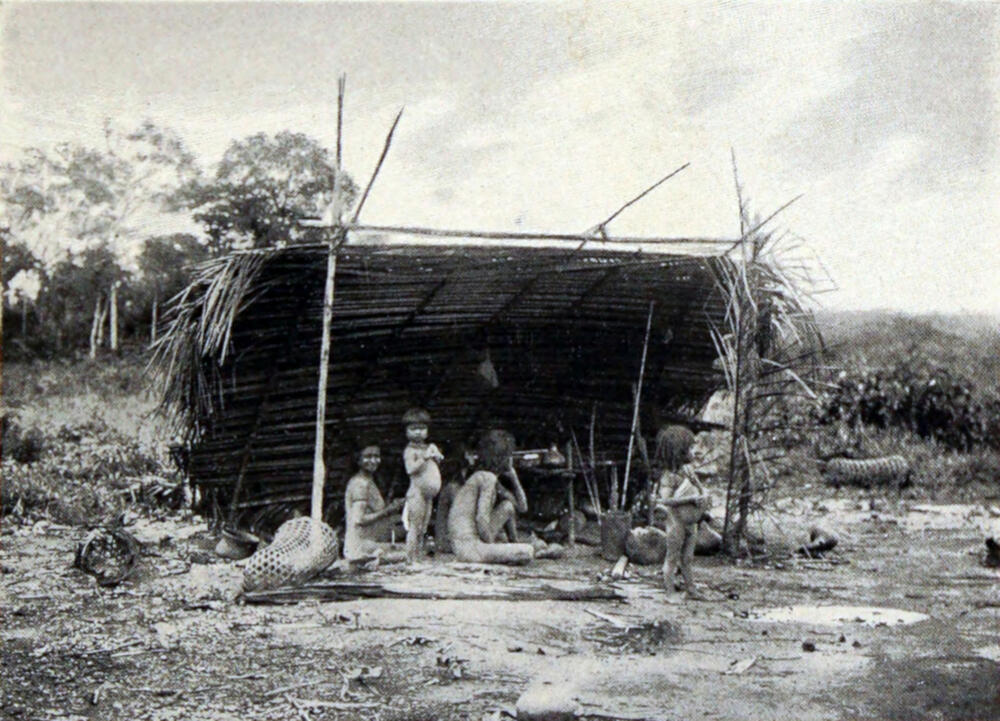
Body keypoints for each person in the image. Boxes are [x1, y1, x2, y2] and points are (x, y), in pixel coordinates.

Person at [446, 429, 535, 564]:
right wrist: (491, 546)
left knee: (507, 506)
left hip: (466, 547)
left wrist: (514, 477)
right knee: (528, 551)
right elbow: (481, 519)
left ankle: (513, 543)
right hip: (470, 549)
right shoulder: (487, 479)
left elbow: (522, 508)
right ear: (503, 458)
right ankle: (507, 549)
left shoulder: (486, 477)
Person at [343, 445, 405, 562]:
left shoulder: (368, 481)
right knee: (410, 552)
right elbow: (359, 519)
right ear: (358, 460)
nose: (373, 460)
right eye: (368, 456)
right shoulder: (360, 484)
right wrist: (388, 511)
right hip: (361, 546)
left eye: (376, 456)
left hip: (369, 542)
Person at [401, 408, 444, 564]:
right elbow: (410, 469)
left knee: (423, 528)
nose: (418, 432)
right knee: (414, 527)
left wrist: (435, 454)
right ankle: (409, 560)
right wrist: (424, 457)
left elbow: (439, 461)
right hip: (416, 493)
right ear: (406, 431)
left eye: (422, 428)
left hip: (428, 495)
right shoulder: (409, 450)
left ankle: (417, 558)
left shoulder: (428, 447)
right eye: (413, 429)